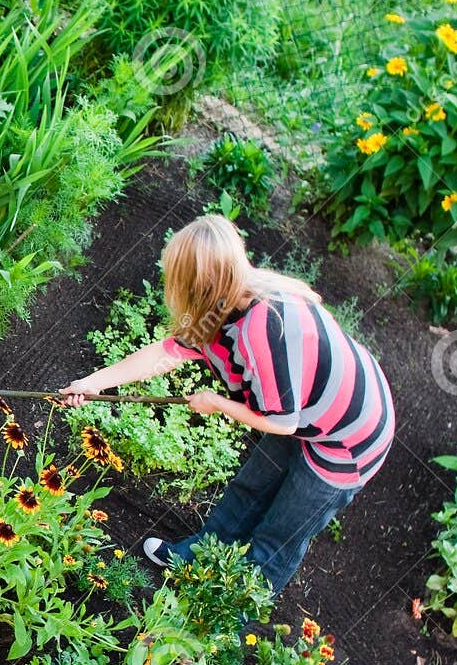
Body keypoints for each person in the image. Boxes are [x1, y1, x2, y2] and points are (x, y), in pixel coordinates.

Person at [59, 214, 394, 595]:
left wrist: (217, 402)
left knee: (277, 536)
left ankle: (222, 619)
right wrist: (92, 384)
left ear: (202, 284)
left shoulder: (262, 330)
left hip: (350, 437)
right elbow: (166, 354)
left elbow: (282, 423)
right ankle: (196, 561)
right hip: (305, 407)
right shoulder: (223, 303)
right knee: (250, 489)